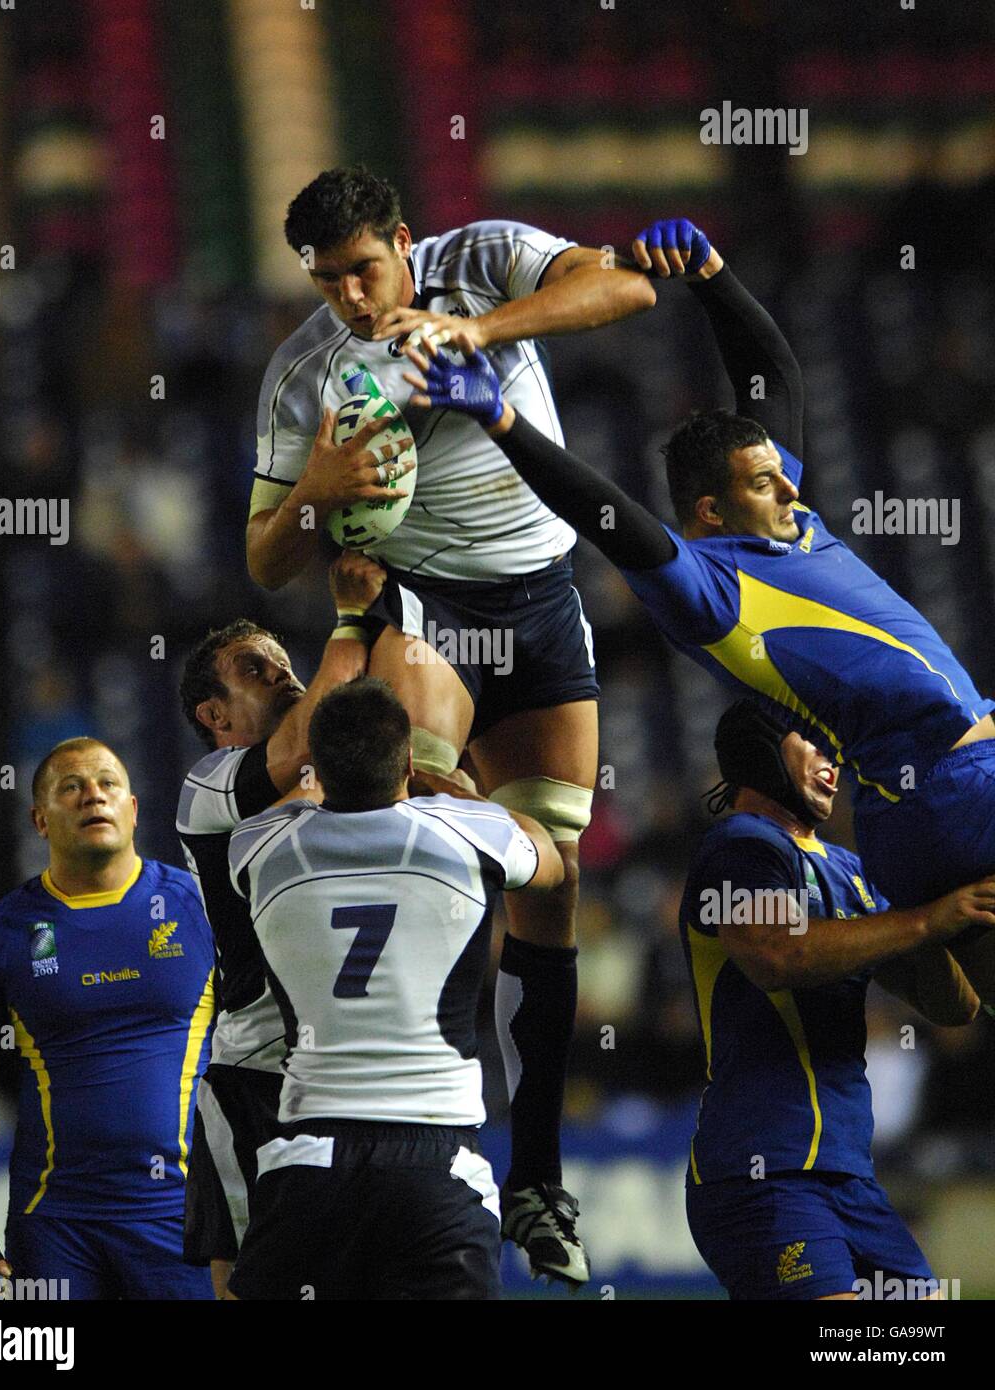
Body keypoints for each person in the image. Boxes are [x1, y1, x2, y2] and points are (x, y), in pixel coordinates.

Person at [244, 166, 662, 1280]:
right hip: (427, 605)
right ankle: (406, 1126)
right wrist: (318, 485)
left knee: (554, 883)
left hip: (543, 601)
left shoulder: (479, 262)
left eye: (364, 269)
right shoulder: (306, 369)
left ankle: (532, 1177)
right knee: (416, 817)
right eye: (326, 279)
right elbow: (263, 555)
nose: (348, 295)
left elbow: (624, 290)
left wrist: (473, 333)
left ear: (407, 244)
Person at [401, 218, 995, 950]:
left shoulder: (787, 518)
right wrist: (501, 418)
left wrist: (713, 276)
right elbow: (603, 511)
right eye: (763, 480)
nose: (788, 485)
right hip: (944, 788)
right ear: (710, 510)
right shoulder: (709, 588)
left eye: (780, 472)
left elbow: (775, 378)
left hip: (928, 796)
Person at [223, 676, 565, 1300]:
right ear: (407, 760)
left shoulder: (257, 847)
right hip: (438, 1165)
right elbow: (547, 858)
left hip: (310, 1162)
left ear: (317, 769)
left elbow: (272, 814)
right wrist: (456, 790)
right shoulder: (468, 833)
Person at [679, 698, 989, 1300]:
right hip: (762, 1170)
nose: (833, 760)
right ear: (762, 753)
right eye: (814, 743)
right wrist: (924, 920)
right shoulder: (740, 849)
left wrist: (928, 901)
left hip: (850, 1178)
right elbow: (777, 956)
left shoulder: (851, 870)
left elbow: (955, 1008)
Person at [0, 738, 215, 1300]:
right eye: (71, 787)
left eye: (108, 783)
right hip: (53, 1225)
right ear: (39, 819)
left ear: (133, 809)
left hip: (184, 1216)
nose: (93, 796)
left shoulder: (202, 907)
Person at [176, 551, 386, 1297]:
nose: (284, 674)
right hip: (255, 1078)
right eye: (255, 671)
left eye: (283, 662)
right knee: (251, 1285)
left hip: (358, 1077)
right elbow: (296, 744)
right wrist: (352, 619)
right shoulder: (207, 789)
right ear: (216, 716)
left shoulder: (347, 784)